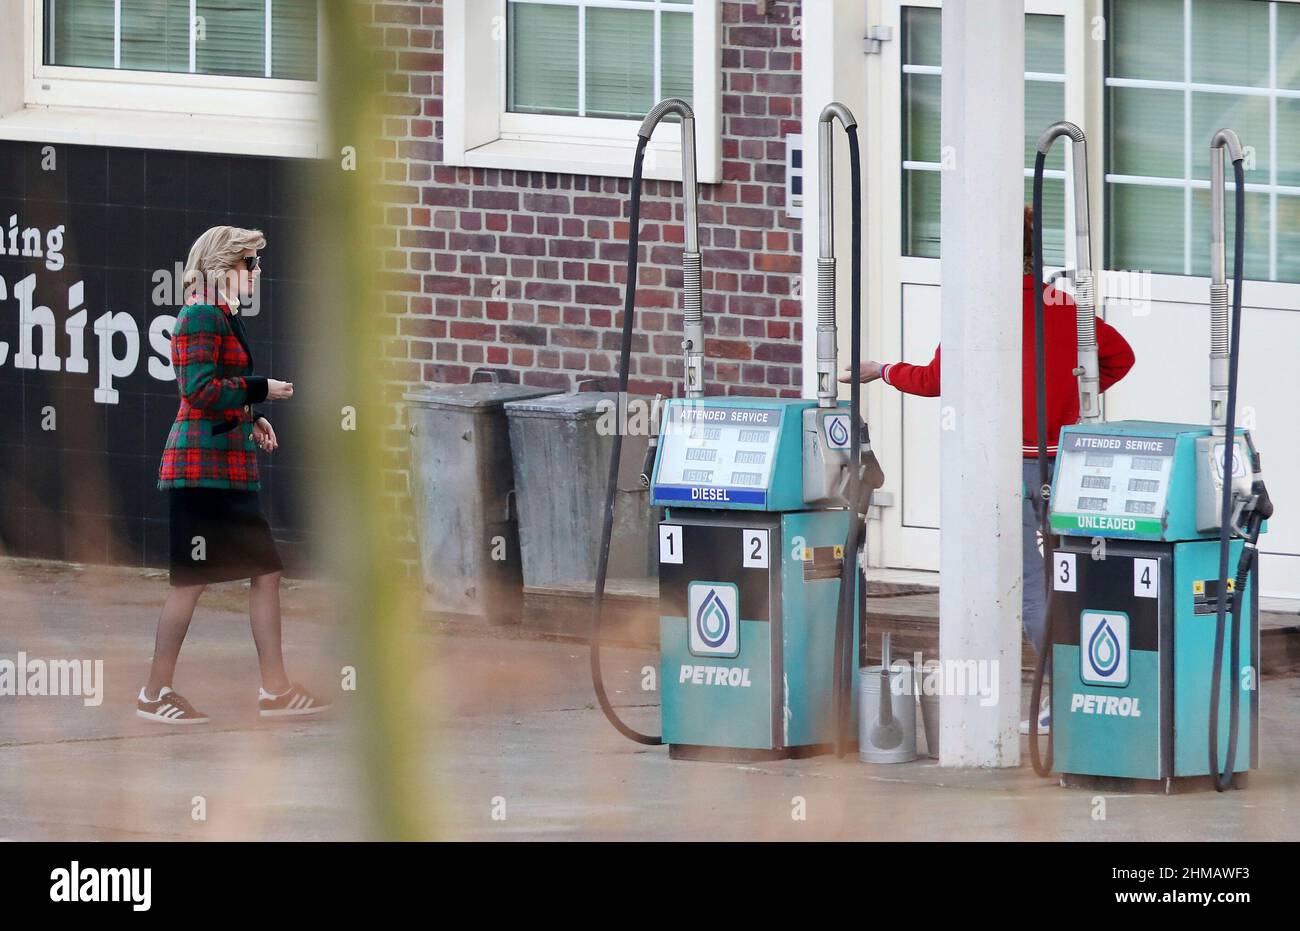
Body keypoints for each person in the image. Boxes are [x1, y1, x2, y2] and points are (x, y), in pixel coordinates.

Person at [841, 206, 1135, 734]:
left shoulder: (978, 310)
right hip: (1067, 464)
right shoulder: (1065, 305)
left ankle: (1068, 697)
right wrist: (1070, 400)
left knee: (1030, 587)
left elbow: (935, 380)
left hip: (1012, 469)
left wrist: (880, 370)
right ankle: (1100, 688)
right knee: (1078, 575)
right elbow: (1120, 358)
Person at [138, 226, 329, 723]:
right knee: (190, 583)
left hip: (222, 468)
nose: (257, 272)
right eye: (250, 264)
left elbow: (219, 391)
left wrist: (253, 415)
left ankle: (275, 690)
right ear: (223, 268)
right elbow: (198, 390)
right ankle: (154, 695)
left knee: (265, 572)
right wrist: (261, 390)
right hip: (202, 472)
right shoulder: (201, 315)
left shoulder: (219, 314)